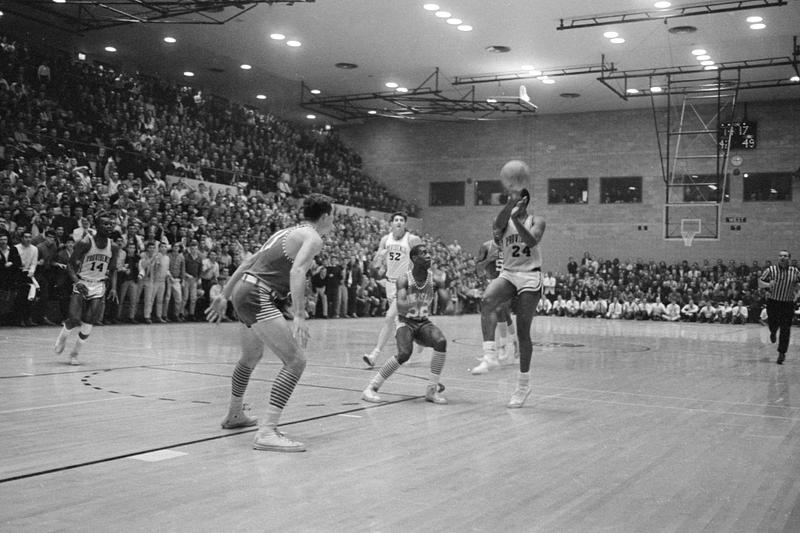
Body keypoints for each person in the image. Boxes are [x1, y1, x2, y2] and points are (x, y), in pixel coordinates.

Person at [206, 194, 334, 452]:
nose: (333, 221)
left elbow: (247, 262)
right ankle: (267, 431)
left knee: (250, 356)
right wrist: (299, 314)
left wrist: (225, 295)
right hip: (258, 294)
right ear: (325, 217)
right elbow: (297, 271)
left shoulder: (285, 232)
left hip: (244, 289)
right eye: (333, 217)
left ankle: (234, 414)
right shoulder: (313, 237)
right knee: (296, 361)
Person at [472, 188, 546, 409]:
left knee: (523, 331)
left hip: (530, 275)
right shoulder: (503, 220)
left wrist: (517, 217)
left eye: (515, 198)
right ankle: (490, 355)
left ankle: (523, 385)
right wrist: (509, 208)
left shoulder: (537, 220)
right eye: (509, 197)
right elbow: (497, 226)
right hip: (509, 273)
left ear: (525, 200)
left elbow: (531, 241)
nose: (511, 201)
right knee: (487, 301)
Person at [361, 244, 450, 405]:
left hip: (423, 322)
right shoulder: (404, 279)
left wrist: (445, 294)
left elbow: (446, 303)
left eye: (429, 253)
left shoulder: (434, 279)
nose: (428, 256)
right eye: (424, 253)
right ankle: (371, 388)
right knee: (404, 354)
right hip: (405, 322)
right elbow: (401, 306)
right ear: (415, 258)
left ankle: (431, 390)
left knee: (441, 341)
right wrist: (417, 299)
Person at [53, 213, 119, 365]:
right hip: (82, 281)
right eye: (105, 224)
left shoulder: (113, 246)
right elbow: (70, 265)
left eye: (111, 224)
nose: (109, 226)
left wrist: (114, 288)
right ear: (97, 226)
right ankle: (63, 337)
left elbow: (114, 269)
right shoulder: (85, 242)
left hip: (99, 285)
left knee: (89, 321)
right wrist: (76, 282)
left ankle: (74, 354)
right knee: (74, 318)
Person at [362, 212, 422, 367]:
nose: (399, 222)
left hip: (405, 284)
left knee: (389, 317)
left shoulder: (412, 240)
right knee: (398, 320)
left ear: (405, 224)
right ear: (391, 224)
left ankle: (374, 355)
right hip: (389, 284)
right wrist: (379, 260)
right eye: (396, 220)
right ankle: (419, 337)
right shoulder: (385, 240)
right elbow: (376, 262)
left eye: (402, 220)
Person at [474, 239, 517, 361]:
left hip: (506, 282)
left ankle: (503, 346)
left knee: (501, 311)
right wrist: (489, 259)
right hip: (491, 283)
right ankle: (512, 345)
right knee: (504, 315)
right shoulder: (486, 246)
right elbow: (478, 268)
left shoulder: (511, 246)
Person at [758, 249, 800, 364]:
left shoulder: (795, 271)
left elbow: (798, 284)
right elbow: (759, 282)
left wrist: (797, 294)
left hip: (788, 303)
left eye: (785, 256)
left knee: (785, 329)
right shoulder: (771, 270)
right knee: (773, 323)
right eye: (780, 256)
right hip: (773, 302)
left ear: (789, 258)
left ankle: (782, 353)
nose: (782, 257)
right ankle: (773, 331)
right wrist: (768, 284)